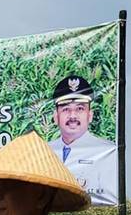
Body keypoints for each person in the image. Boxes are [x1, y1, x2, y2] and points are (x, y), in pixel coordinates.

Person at [47, 74, 117, 207]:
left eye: (80, 109)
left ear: (90, 115)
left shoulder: (108, 152)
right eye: (66, 109)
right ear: (56, 116)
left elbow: (110, 203)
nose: (72, 116)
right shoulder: (43, 151)